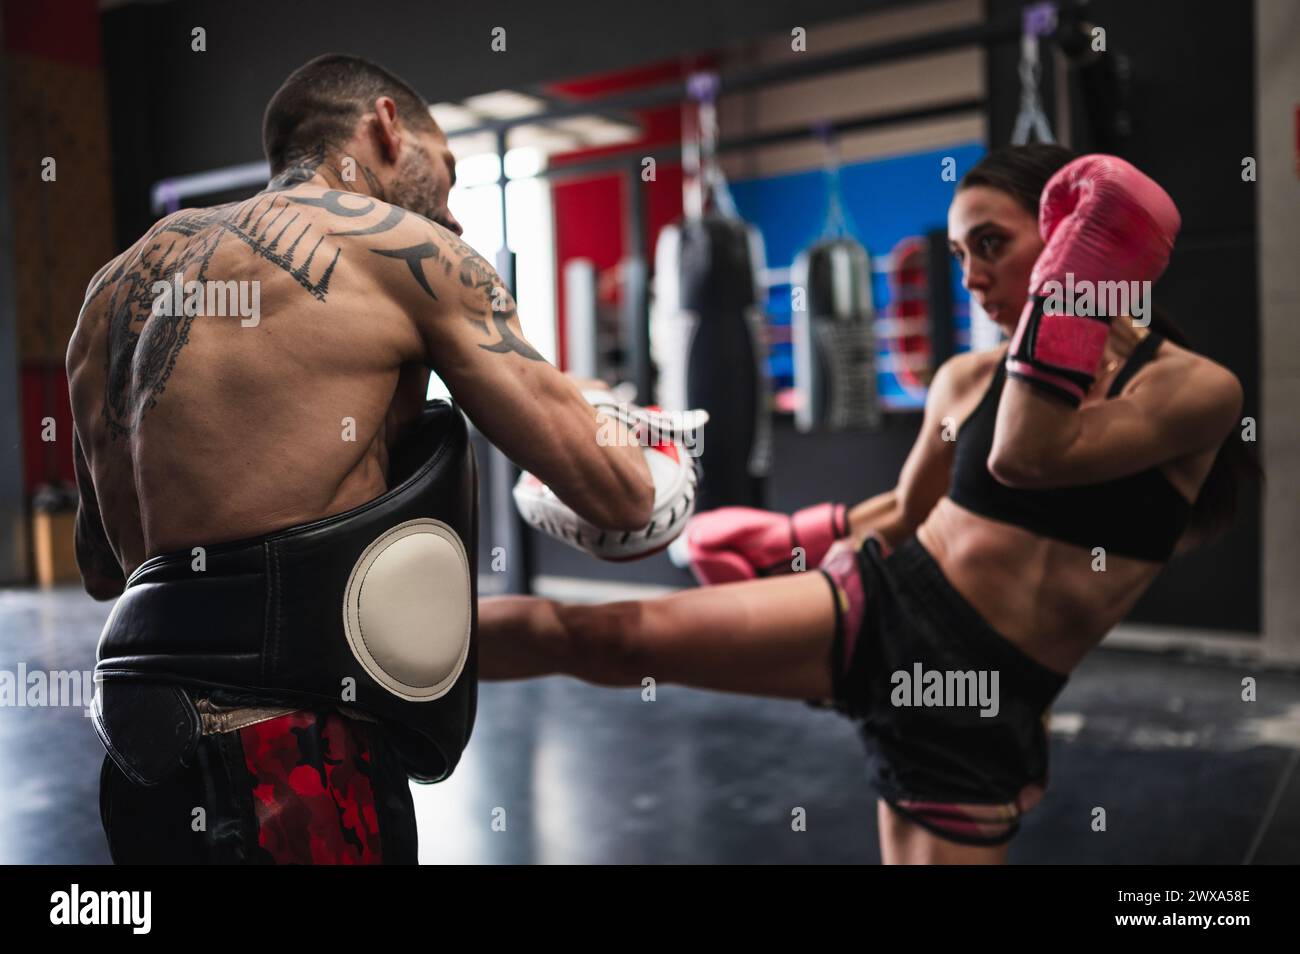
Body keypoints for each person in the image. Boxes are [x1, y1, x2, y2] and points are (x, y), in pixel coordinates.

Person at [478, 144, 1250, 864]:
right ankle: (371, 648)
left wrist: (1077, 284)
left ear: (1068, 241)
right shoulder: (966, 380)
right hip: (884, 600)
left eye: (990, 245)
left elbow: (1028, 453)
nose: (972, 277)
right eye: (958, 255)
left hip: (984, 684)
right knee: (608, 639)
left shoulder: (1192, 389)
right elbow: (905, 514)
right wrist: (786, 537)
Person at [70, 53, 664, 864]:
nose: (451, 215)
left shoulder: (111, 289)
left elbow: (104, 567)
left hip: (137, 746)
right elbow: (626, 497)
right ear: (387, 127)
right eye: (446, 175)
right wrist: (618, 419)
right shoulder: (410, 256)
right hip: (289, 754)